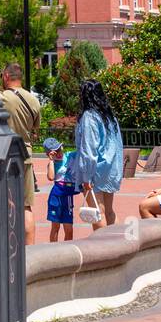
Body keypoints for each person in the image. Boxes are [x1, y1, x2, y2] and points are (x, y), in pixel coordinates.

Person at [69, 79, 123, 229]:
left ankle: (103, 249)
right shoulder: (110, 117)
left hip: (96, 169)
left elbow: (89, 149)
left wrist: (86, 176)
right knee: (109, 211)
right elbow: (118, 144)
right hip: (111, 167)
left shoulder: (89, 116)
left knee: (97, 211)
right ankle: (119, 245)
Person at [0, 62, 42, 245]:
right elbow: (35, 130)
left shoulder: (1, 98)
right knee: (26, 206)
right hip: (26, 155)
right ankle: (29, 251)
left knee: (3, 202)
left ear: (6, 77)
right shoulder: (33, 100)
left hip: (5, 154)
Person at [44, 136, 76, 241]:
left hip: (68, 196)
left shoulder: (70, 156)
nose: (58, 153)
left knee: (69, 228)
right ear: (49, 154)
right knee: (55, 226)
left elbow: (83, 152)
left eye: (59, 149)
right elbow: (51, 177)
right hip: (56, 195)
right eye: (54, 152)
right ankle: (53, 251)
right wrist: (51, 161)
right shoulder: (52, 164)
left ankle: (67, 250)